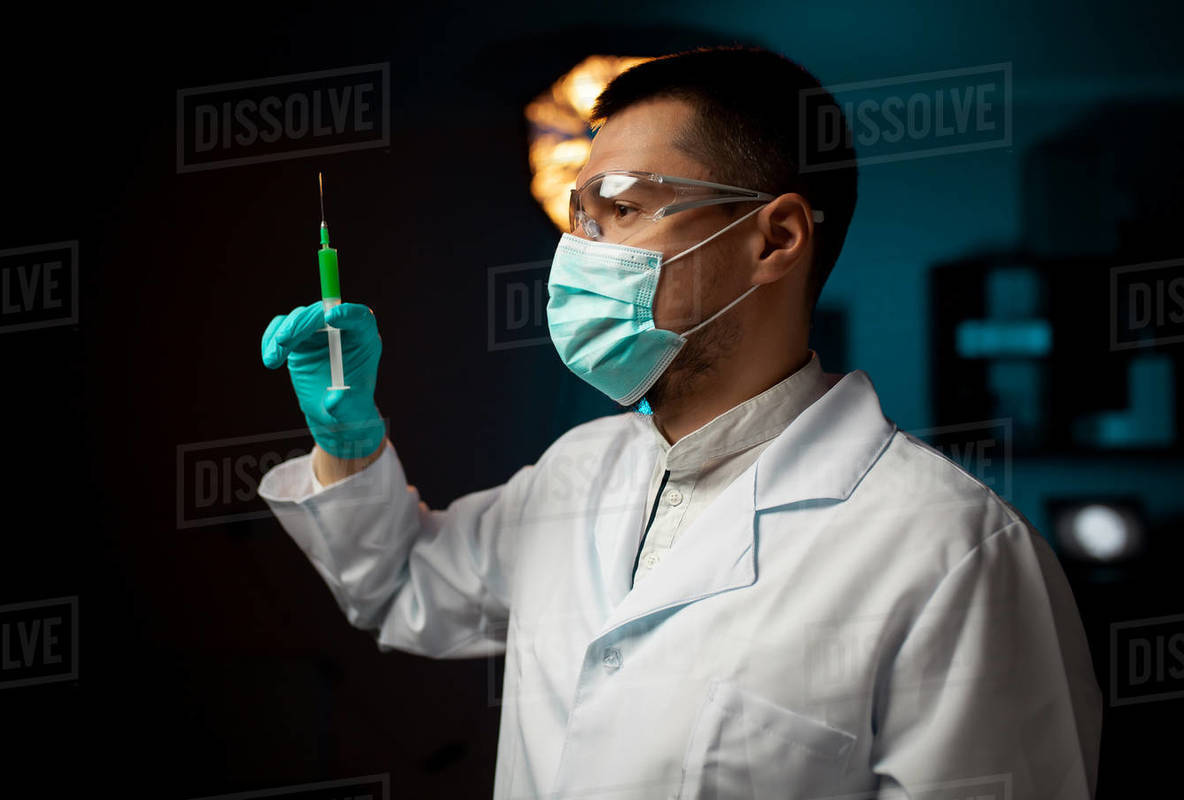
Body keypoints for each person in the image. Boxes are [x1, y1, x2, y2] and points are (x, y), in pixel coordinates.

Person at [258, 46, 1101, 800]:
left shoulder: (952, 553)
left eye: (624, 207)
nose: (582, 249)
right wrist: (348, 441)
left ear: (775, 237)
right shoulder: (577, 473)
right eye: (581, 215)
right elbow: (403, 589)